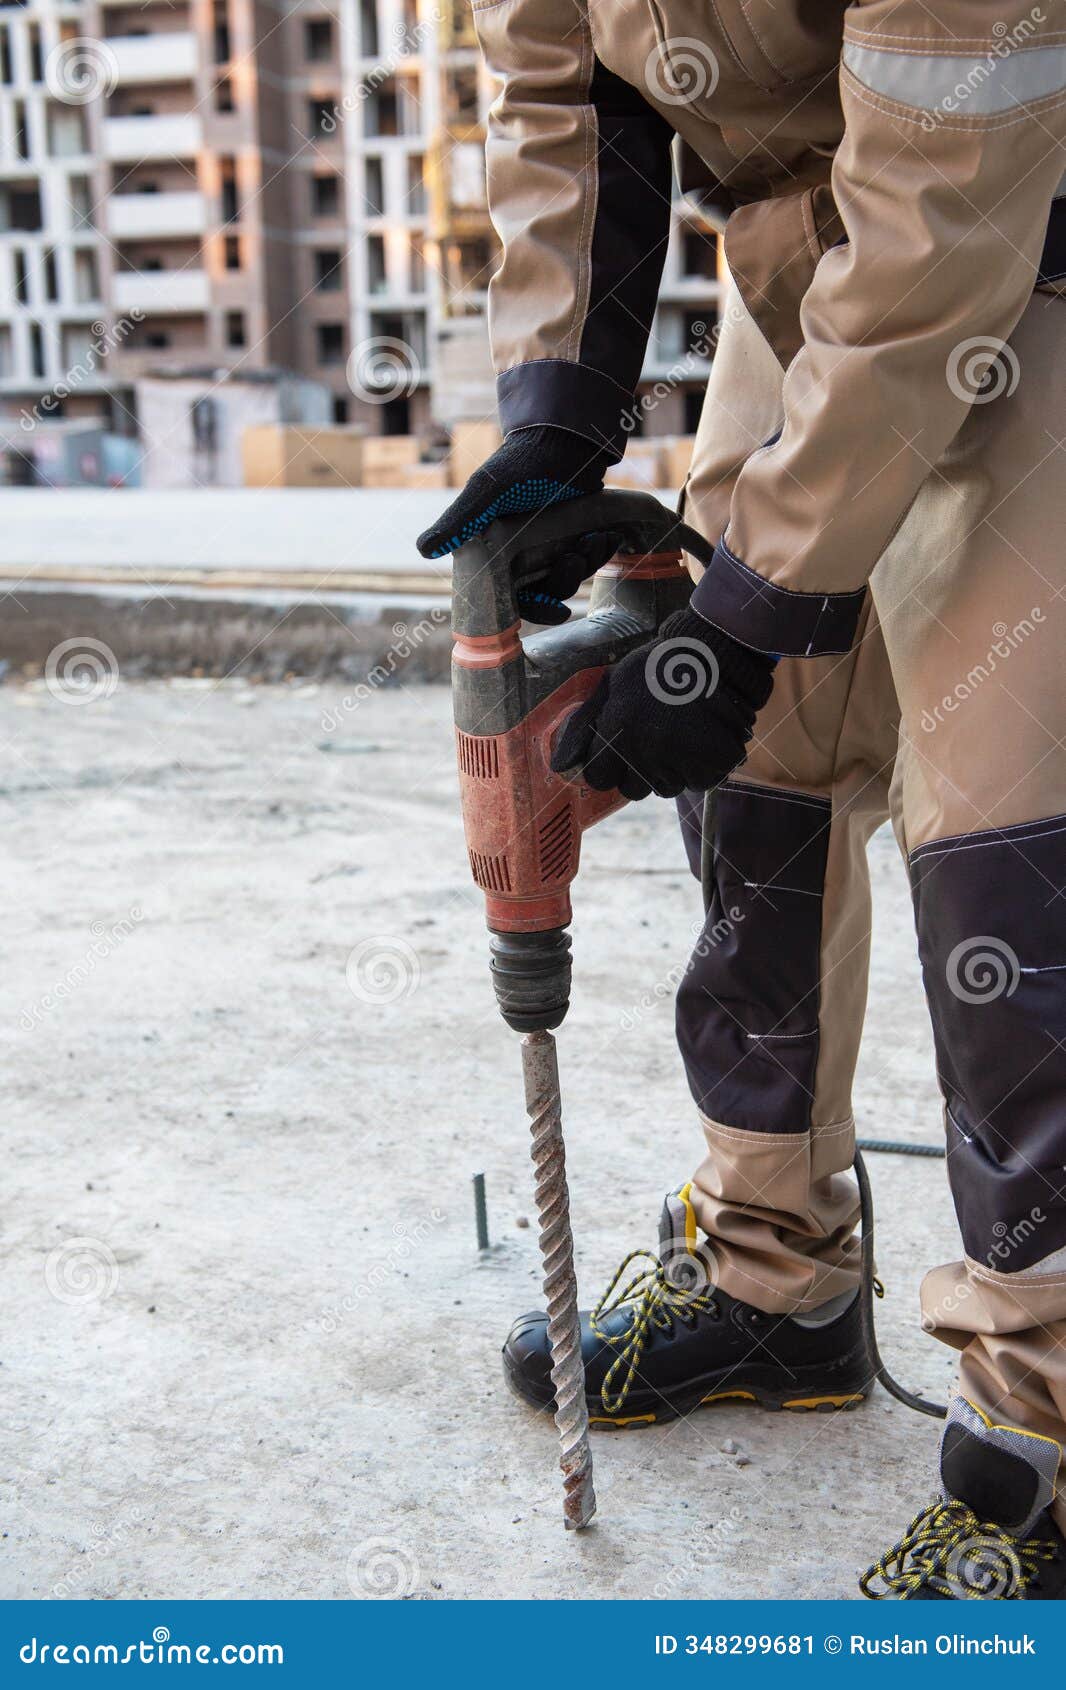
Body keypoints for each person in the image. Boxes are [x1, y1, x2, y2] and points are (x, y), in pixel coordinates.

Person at [418, 1, 1066, 1600]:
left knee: (1007, 836)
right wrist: (558, 409)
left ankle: (1045, 1427)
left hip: (1014, 241)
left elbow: (946, 195)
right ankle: (774, 1282)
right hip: (806, 266)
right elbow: (557, 89)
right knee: (755, 769)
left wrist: (745, 610)